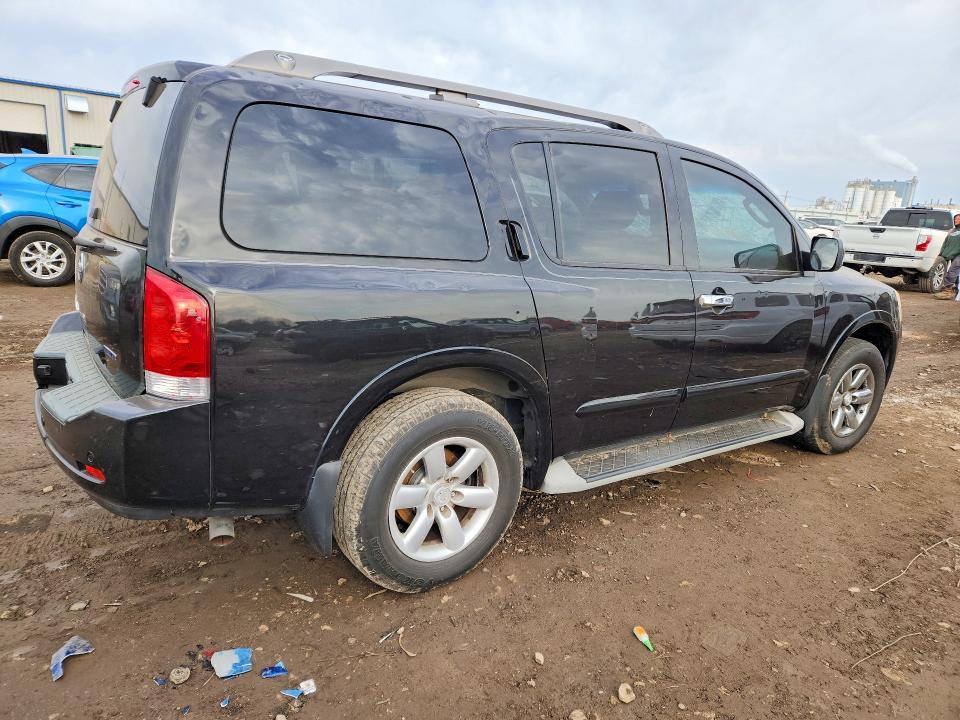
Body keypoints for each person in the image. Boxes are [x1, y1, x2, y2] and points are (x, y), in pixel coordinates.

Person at [933, 213, 960, 300]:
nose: (956, 220)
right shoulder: (951, 231)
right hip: (951, 254)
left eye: (958, 219)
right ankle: (955, 291)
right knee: (956, 273)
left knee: (952, 270)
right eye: (955, 219)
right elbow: (945, 243)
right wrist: (942, 253)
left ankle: (947, 290)